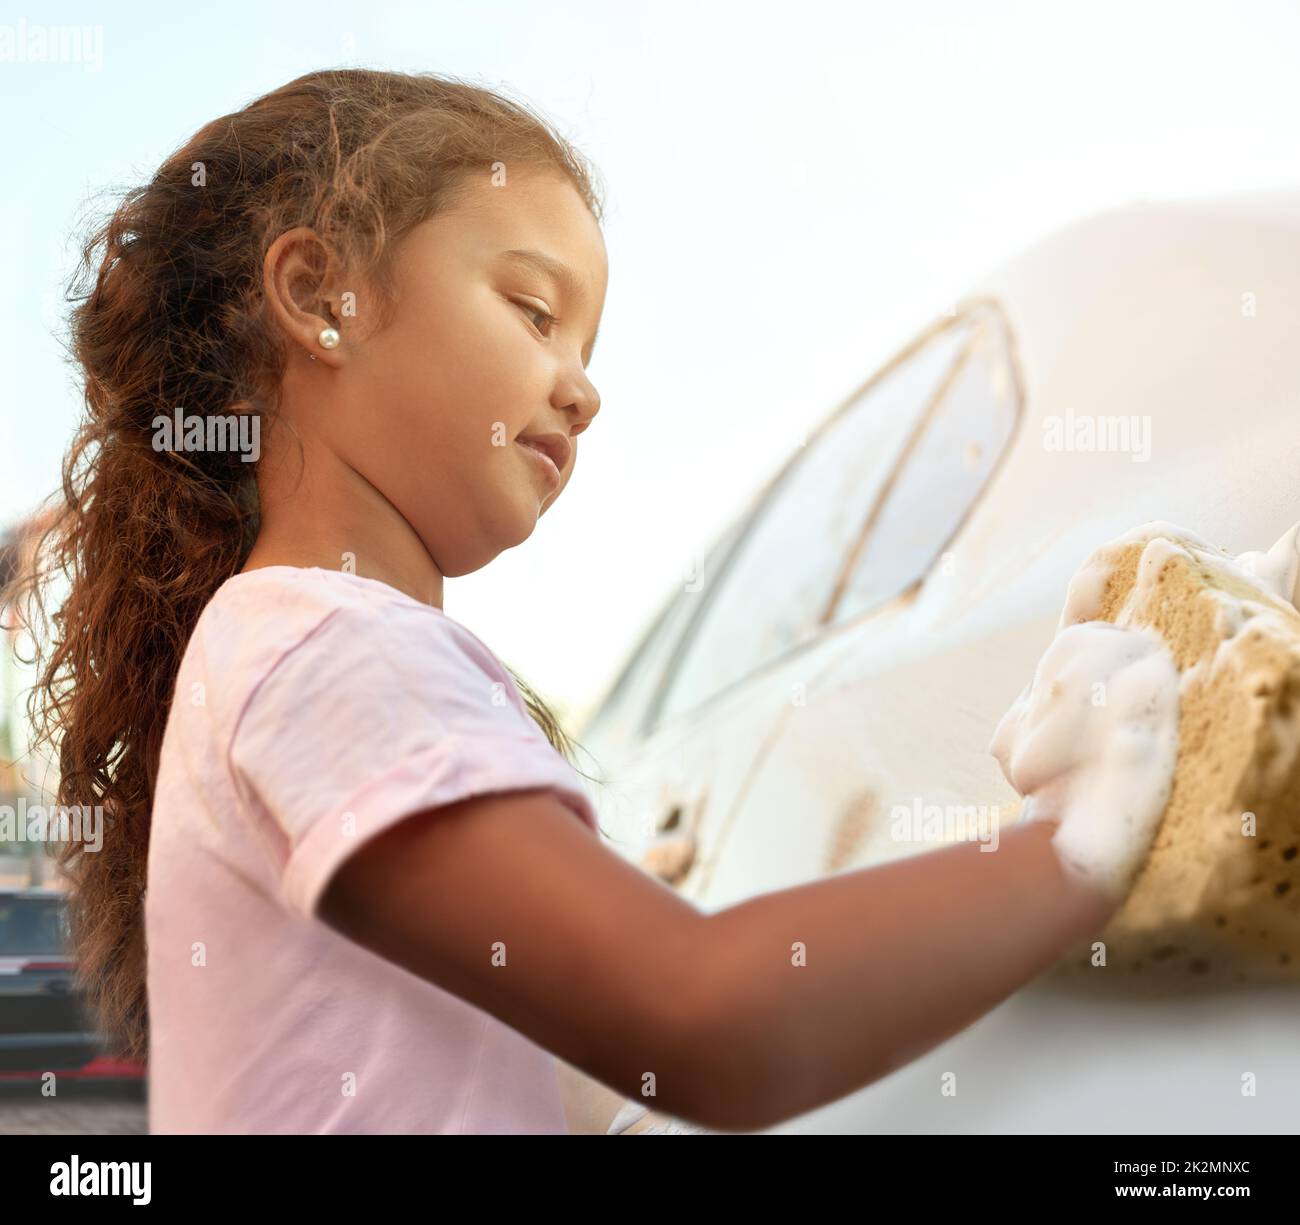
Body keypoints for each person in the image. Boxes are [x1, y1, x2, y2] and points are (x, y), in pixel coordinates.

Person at [4, 68, 1154, 1134]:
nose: (585, 388)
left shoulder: (290, 644)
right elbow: (706, 1021)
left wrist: (596, 891)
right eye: (533, 309)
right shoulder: (326, 647)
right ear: (321, 296)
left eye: (588, 342)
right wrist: (1081, 836)